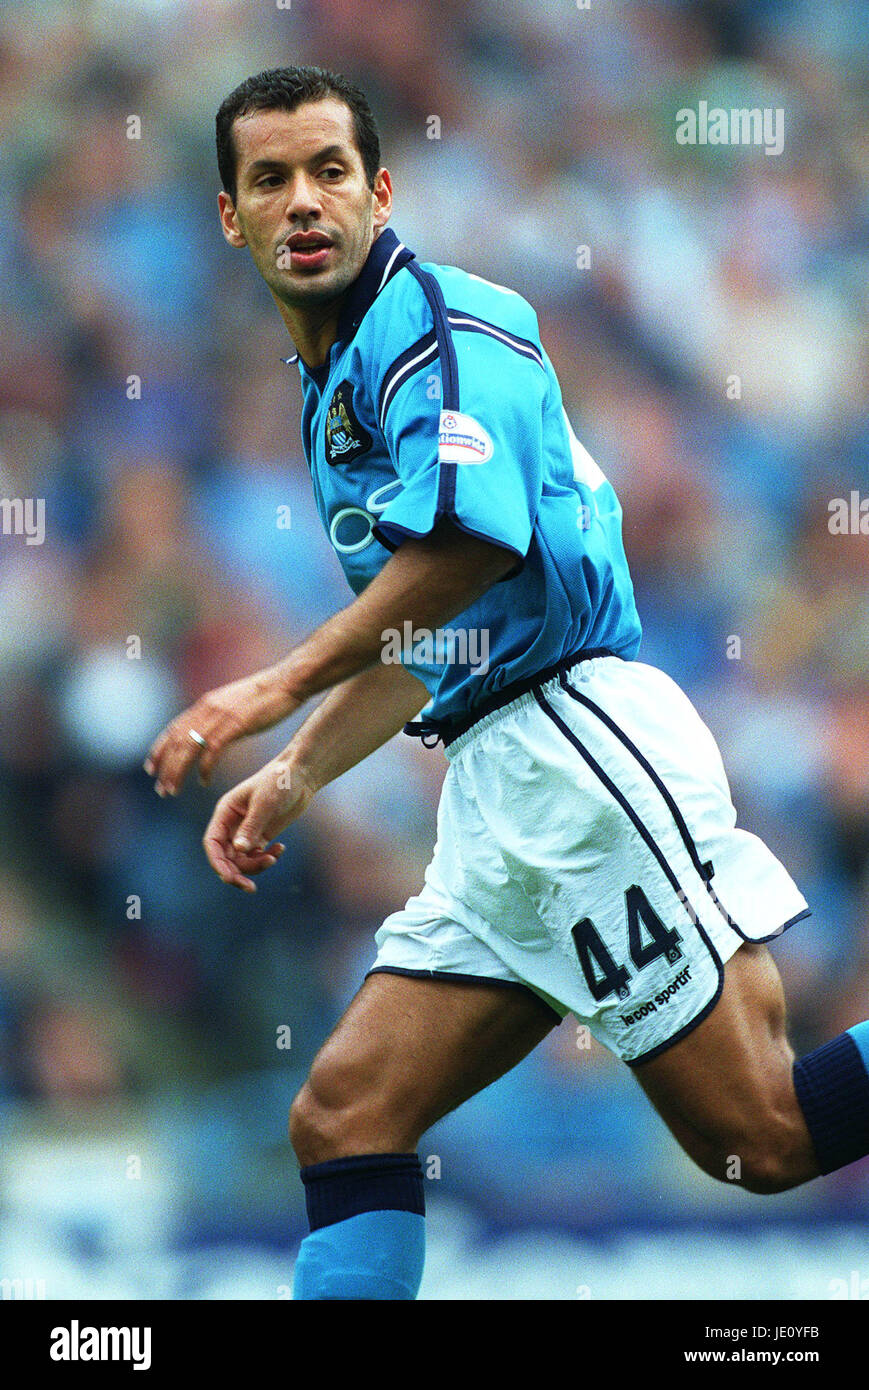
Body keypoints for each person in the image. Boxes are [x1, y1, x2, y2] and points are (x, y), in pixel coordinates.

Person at [144, 65, 869, 1300]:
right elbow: (437, 626)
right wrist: (300, 773)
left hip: (575, 746)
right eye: (270, 178)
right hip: (495, 771)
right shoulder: (335, 379)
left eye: (329, 171)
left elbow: (475, 546)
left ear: (379, 191)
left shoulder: (436, 321)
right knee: (345, 1114)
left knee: (762, 1141)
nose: (303, 200)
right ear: (231, 215)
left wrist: (264, 690)